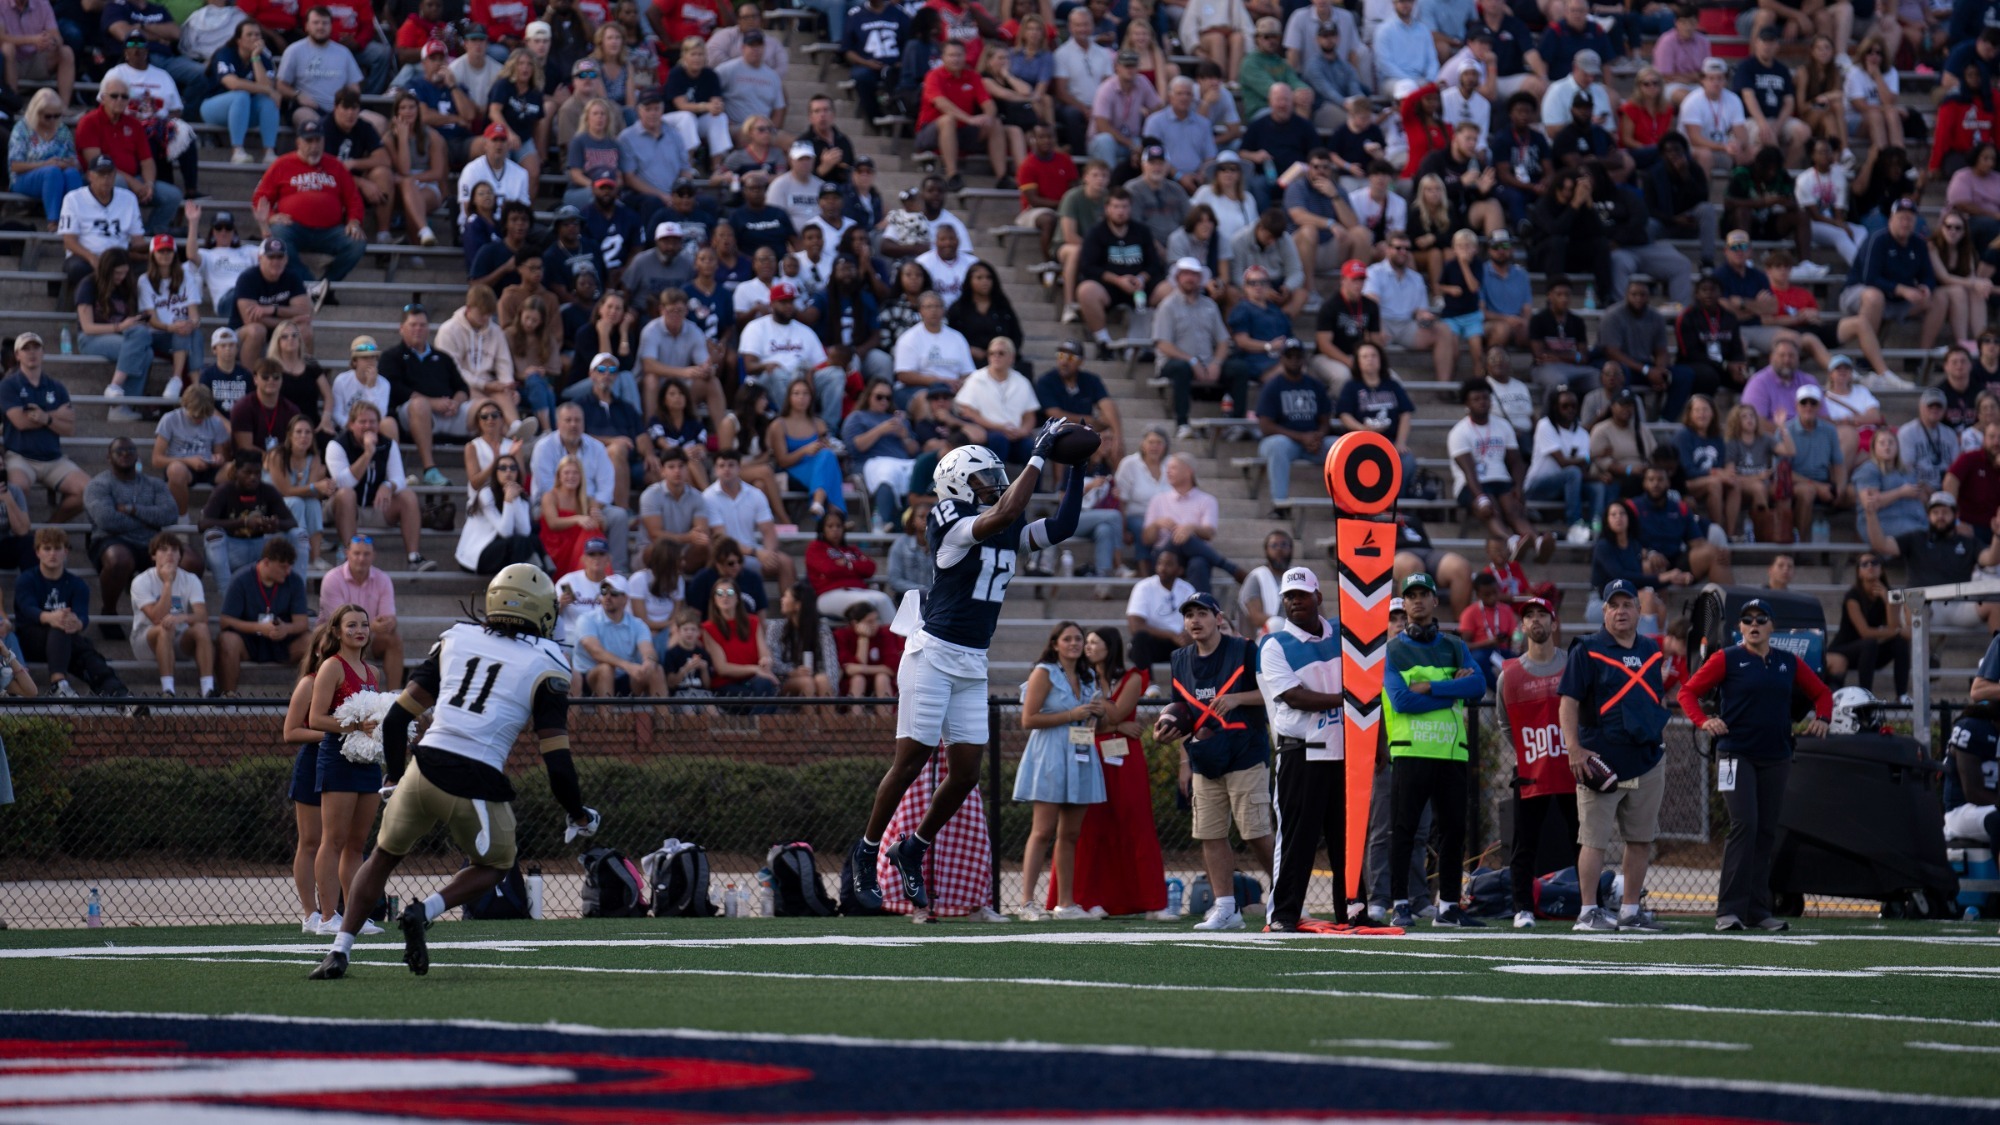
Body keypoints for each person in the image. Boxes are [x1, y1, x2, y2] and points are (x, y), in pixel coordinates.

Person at [310, 565, 597, 979]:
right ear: (541, 611)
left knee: (382, 858)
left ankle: (339, 949)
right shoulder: (548, 660)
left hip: (422, 769)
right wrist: (577, 811)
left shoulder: (456, 639)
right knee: (498, 863)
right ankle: (425, 911)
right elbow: (556, 758)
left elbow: (395, 721)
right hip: (475, 779)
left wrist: (394, 777)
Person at [845, 425, 1088, 910]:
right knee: (911, 760)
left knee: (964, 773)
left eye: (996, 475)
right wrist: (1039, 454)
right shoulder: (948, 514)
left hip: (973, 659)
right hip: (932, 653)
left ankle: (912, 848)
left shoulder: (1002, 522)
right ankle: (865, 852)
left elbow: (1060, 528)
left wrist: (1077, 466)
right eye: (982, 478)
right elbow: (1008, 511)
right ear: (957, 484)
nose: (993, 483)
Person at [1678, 597, 1832, 932]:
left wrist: (1823, 718)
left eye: (1761, 619)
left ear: (1772, 626)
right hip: (1735, 754)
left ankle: (1758, 911)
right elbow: (1687, 693)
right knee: (1744, 825)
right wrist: (1704, 722)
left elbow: (1822, 692)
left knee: (1765, 831)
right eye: (1747, 620)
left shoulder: (1787, 662)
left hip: (1775, 756)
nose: (1754, 624)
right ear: (1739, 628)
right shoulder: (1726, 659)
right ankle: (1728, 911)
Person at [1145, 591, 1271, 931]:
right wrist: (1167, 733)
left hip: (1245, 751)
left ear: (1218, 618)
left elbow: (1274, 692)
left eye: (1202, 613)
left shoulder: (1244, 649)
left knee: (1255, 831)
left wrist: (1236, 698)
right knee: (1210, 833)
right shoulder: (1180, 659)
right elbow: (1180, 710)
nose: (1194, 620)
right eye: (1189, 615)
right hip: (1205, 756)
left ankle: (1284, 896)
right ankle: (1227, 907)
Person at [1558, 578, 1669, 933]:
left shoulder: (1652, 650)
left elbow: (1656, 699)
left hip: (1647, 760)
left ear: (1639, 611)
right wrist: (1574, 748)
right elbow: (1568, 702)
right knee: (1593, 840)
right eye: (1614, 605)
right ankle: (1588, 911)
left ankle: (1629, 911)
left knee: (1641, 839)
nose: (1621, 611)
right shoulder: (1586, 649)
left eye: (1628, 605)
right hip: (1600, 761)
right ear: (1603, 611)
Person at [1379, 571, 1485, 928]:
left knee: (1454, 832)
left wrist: (1433, 687)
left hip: (1452, 753)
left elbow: (1479, 686)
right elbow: (1402, 700)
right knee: (1404, 831)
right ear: (1404, 603)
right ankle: (1400, 904)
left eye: (1424, 594)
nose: (1418, 600)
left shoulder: (1455, 645)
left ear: (1435, 601)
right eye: (1411, 596)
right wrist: (1451, 687)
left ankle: (1449, 907)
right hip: (1411, 752)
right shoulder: (1392, 649)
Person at [1256, 566, 1357, 933]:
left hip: (1343, 751)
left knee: (1348, 840)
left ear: (1318, 596)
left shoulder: (1341, 635)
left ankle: (1353, 911)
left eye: (1301, 594)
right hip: (1301, 751)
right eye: (1289, 596)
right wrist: (1347, 701)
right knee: (1296, 839)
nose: (1295, 601)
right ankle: (1282, 914)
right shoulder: (1273, 644)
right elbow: (1294, 696)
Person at [1011, 621, 1108, 921]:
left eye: (1078, 638)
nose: (1074, 643)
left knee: (1070, 833)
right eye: (1067, 639)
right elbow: (1028, 719)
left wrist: (1097, 715)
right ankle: (1027, 902)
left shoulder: (1088, 675)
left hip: (1080, 754)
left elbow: (1094, 722)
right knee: (1042, 831)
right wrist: (1071, 714)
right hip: (1050, 755)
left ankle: (1065, 903)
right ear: (1055, 644)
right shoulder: (1044, 672)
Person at [1494, 597, 1578, 929]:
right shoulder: (1510, 674)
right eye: (1529, 616)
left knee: (1582, 839)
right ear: (1523, 626)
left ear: (1554, 623)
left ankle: (1590, 905)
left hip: (1572, 766)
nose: (1536, 620)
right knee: (1524, 842)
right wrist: (1529, 752)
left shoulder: (1573, 664)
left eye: (1542, 614)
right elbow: (1504, 722)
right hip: (1532, 771)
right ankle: (1522, 908)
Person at [15, 527, 129, 697]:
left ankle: (117, 693)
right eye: (47, 548)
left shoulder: (77, 584)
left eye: (57, 548)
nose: (52, 554)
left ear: (66, 552)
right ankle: (59, 685)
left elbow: (82, 615)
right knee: (63, 628)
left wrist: (77, 622)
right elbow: (27, 610)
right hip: (30, 640)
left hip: (65, 641)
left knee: (85, 651)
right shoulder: (26, 579)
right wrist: (52, 618)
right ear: (37, 552)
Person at [326, 400, 436, 574]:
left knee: (407, 496)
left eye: (372, 422)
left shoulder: (387, 444)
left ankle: (414, 557)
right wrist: (368, 453)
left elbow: (399, 478)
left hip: (375, 507)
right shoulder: (337, 445)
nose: (368, 426)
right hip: (343, 509)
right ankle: (350, 556)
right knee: (346, 494)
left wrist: (387, 485)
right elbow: (343, 483)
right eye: (362, 422)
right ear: (351, 424)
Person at [1450, 377, 1553, 562]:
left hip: (1500, 478)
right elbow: (1468, 471)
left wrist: (1519, 488)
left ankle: (1537, 542)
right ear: (1467, 402)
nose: (1482, 402)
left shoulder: (1503, 425)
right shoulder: (1459, 432)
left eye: (1486, 398)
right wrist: (1480, 499)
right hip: (1471, 484)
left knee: (1513, 508)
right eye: (1477, 399)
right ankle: (1511, 540)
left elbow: (1516, 462)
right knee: (1491, 508)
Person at [76, 77, 182, 236]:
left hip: (133, 179)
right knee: (118, 183)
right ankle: (122, 233)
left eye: (124, 96)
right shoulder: (89, 122)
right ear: (103, 97)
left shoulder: (133, 124)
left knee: (172, 195)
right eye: (114, 96)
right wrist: (132, 182)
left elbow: (147, 161)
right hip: (97, 179)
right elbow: (97, 165)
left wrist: (149, 185)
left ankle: (147, 235)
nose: (119, 100)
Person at [2, 332, 88, 523]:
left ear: (43, 352)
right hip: (20, 456)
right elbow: (20, 423)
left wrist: (45, 418)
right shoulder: (9, 385)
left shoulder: (57, 387)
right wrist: (54, 415)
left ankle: (49, 531)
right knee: (18, 487)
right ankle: (22, 534)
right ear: (17, 355)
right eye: (26, 349)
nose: (31, 353)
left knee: (88, 491)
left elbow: (69, 430)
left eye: (36, 348)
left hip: (53, 458)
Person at [216, 535, 310, 694]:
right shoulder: (241, 579)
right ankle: (228, 698)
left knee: (313, 641)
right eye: (283, 567)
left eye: (289, 567)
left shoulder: (295, 581)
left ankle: (303, 701)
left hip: (283, 641)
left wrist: (286, 629)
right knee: (227, 640)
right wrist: (259, 627)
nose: (287, 572)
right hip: (249, 641)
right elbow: (225, 621)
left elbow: (302, 622)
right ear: (266, 562)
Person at [1254, 340, 1332, 513]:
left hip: (1313, 443)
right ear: (1281, 359)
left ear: (1304, 359)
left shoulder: (1315, 385)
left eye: (1298, 356)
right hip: (1285, 442)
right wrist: (1301, 437)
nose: (1295, 360)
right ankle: (1279, 504)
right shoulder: (1273, 386)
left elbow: (1325, 420)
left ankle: (1347, 505)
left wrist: (1318, 436)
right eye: (1290, 356)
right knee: (1277, 445)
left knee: (1341, 447)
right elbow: (1266, 427)